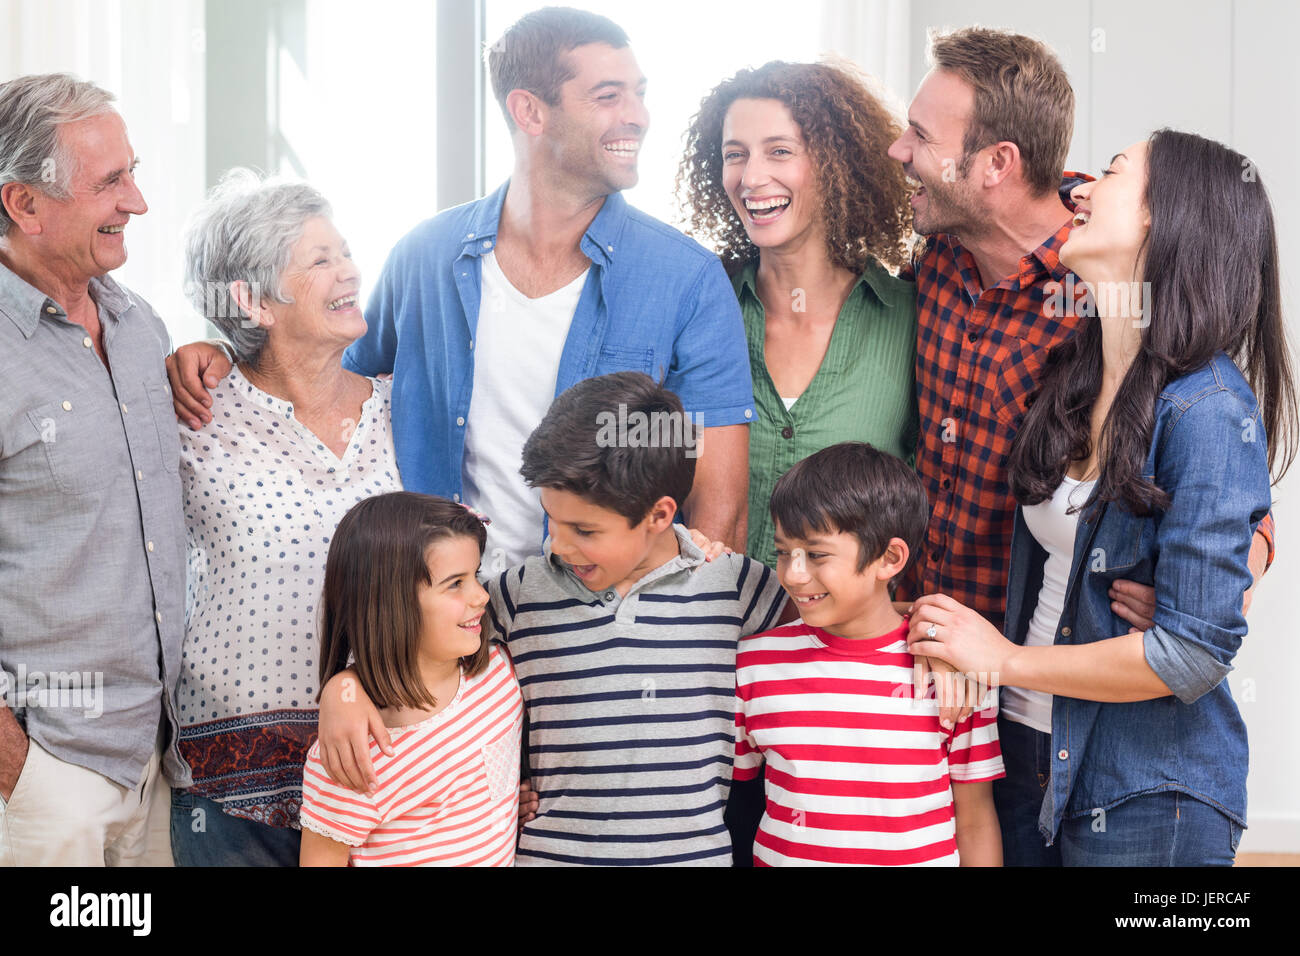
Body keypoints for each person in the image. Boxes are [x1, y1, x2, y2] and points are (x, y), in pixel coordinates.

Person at [165, 6, 755, 567]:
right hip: (440, 624)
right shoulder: (424, 258)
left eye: (640, 92)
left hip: (600, 632)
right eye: (608, 96)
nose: (638, 115)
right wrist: (228, 352)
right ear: (530, 111)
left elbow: (716, 518)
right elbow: (324, 379)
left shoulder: (687, 280)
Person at [908, 129, 1298, 866]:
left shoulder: (1209, 408)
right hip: (1026, 760)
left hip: (1146, 790)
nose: (1079, 191)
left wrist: (1001, 660)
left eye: (1112, 175)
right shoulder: (1074, 374)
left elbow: (1189, 654)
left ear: (1165, 217)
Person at [886, 26, 1275, 725]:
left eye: (919, 134)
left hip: (1030, 680)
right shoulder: (934, 250)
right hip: (922, 662)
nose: (899, 151)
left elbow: (1223, 473)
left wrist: (1214, 591)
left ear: (996, 164)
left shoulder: (1109, 282)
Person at [317, 372, 788, 865]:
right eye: (552, 519)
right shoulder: (521, 592)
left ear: (659, 515)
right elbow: (417, 639)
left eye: (584, 529)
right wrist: (344, 687)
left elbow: (828, 650)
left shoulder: (734, 587)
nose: (559, 545)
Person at [169, 170, 403, 866]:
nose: (350, 271)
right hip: (229, 795)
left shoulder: (404, 409)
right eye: (321, 260)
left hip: (385, 775)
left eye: (346, 252)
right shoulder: (190, 415)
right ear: (252, 300)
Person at [0, 73, 187, 866]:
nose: (137, 202)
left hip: (157, 764)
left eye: (132, 172)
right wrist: (22, 774)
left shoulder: (141, 327)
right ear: (25, 205)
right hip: (48, 783)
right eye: (110, 182)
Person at [678, 59, 917, 571]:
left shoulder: (910, 320)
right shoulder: (695, 313)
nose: (751, 177)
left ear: (837, 163)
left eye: (779, 152)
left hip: (850, 648)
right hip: (714, 638)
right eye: (734, 155)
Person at [736, 442, 1003, 866]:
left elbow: (975, 819)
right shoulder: (754, 665)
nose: (793, 573)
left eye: (816, 554)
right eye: (783, 552)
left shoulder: (954, 671)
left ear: (889, 558)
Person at [299, 493, 523, 866]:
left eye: (476, 575)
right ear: (390, 603)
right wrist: (343, 686)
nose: (481, 595)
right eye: (455, 584)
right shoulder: (352, 756)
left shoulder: (499, 673)